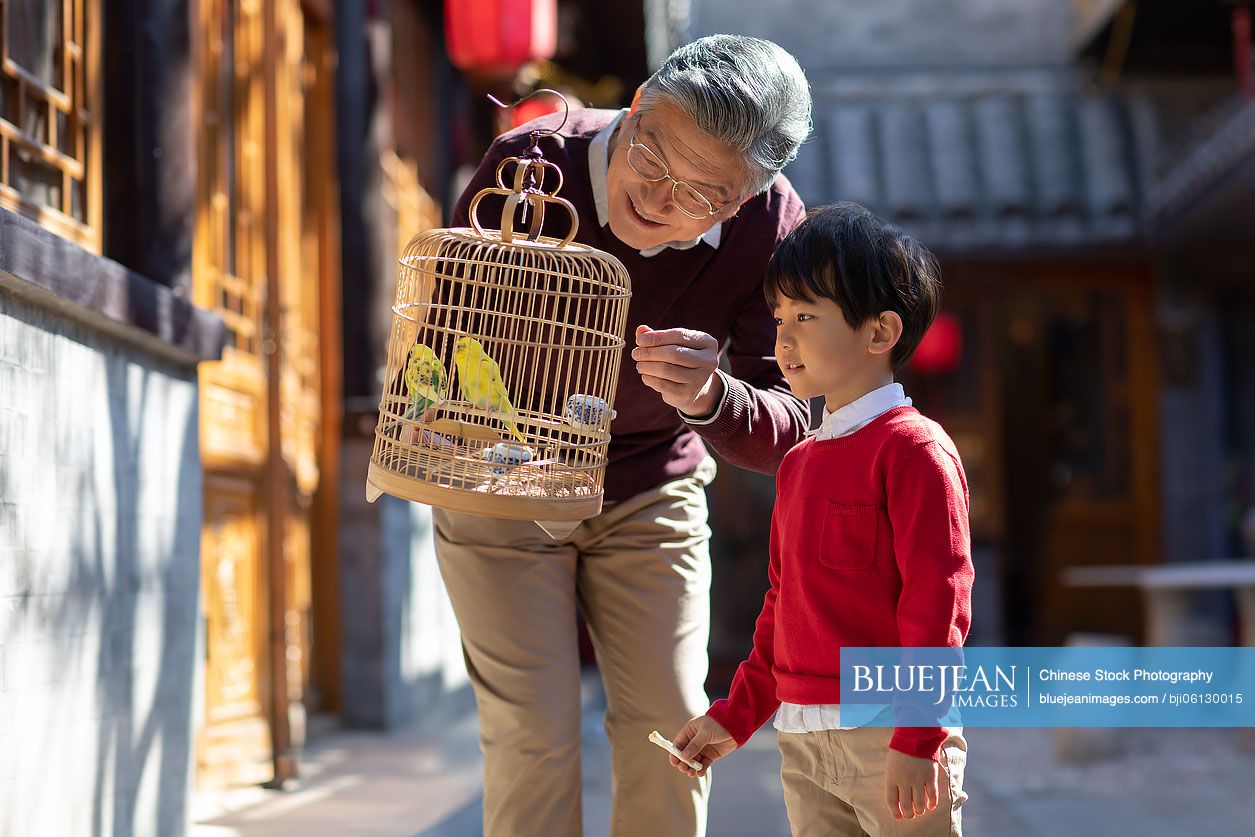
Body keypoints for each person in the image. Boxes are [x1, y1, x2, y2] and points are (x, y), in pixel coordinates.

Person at [432, 35, 812, 837]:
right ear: (636, 104)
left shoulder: (769, 230)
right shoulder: (531, 164)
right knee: (532, 735)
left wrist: (713, 396)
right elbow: (441, 327)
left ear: (744, 198)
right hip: (502, 481)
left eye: (700, 193)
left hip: (650, 483)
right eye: (652, 156)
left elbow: (790, 422)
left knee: (672, 732)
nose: (658, 196)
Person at [667, 203, 974, 836]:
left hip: (890, 731)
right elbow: (784, 604)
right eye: (779, 316)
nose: (782, 338)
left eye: (805, 315)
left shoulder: (914, 450)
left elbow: (937, 601)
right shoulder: (799, 462)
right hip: (802, 739)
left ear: (880, 332)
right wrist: (735, 715)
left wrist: (919, 736)